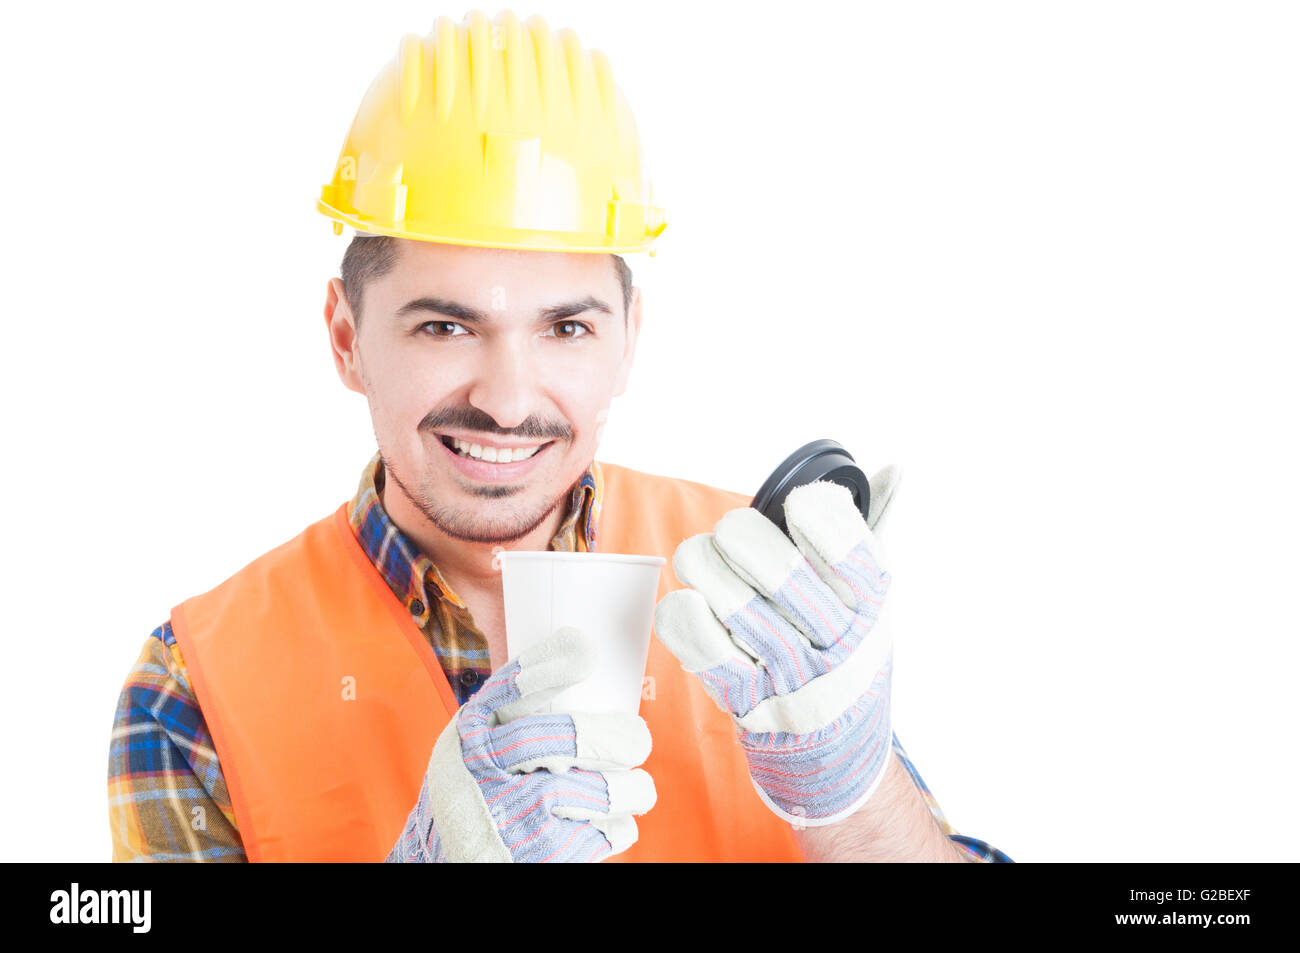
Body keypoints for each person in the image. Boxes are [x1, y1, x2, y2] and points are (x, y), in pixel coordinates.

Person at [107, 8, 1012, 863]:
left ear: (627, 342)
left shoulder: (761, 598)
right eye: (444, 326)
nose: (506, 400)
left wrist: (852, 797)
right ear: (346, 336)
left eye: (565, 328)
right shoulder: (196, 683)